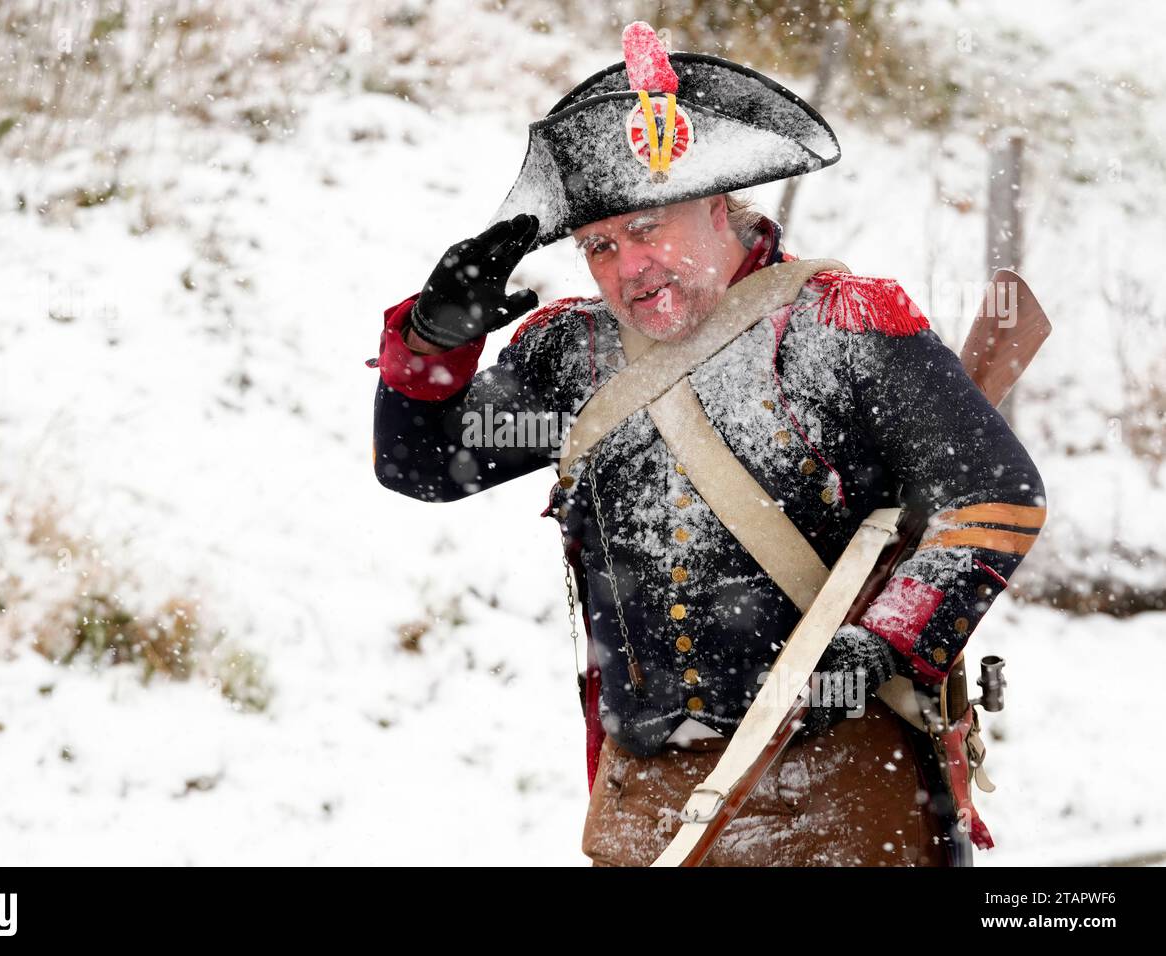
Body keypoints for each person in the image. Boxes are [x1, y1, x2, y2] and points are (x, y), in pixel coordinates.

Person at [367, 22, 1046, 866]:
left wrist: (878, 646)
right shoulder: (572, 360)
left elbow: (994, 499)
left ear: (719, 200)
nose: (627, 268)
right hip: (643, 809)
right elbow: (422, 465)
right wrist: (434, 343)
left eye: (648, 227)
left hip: (841, 798)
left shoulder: (843, 324)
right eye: (601, 247)